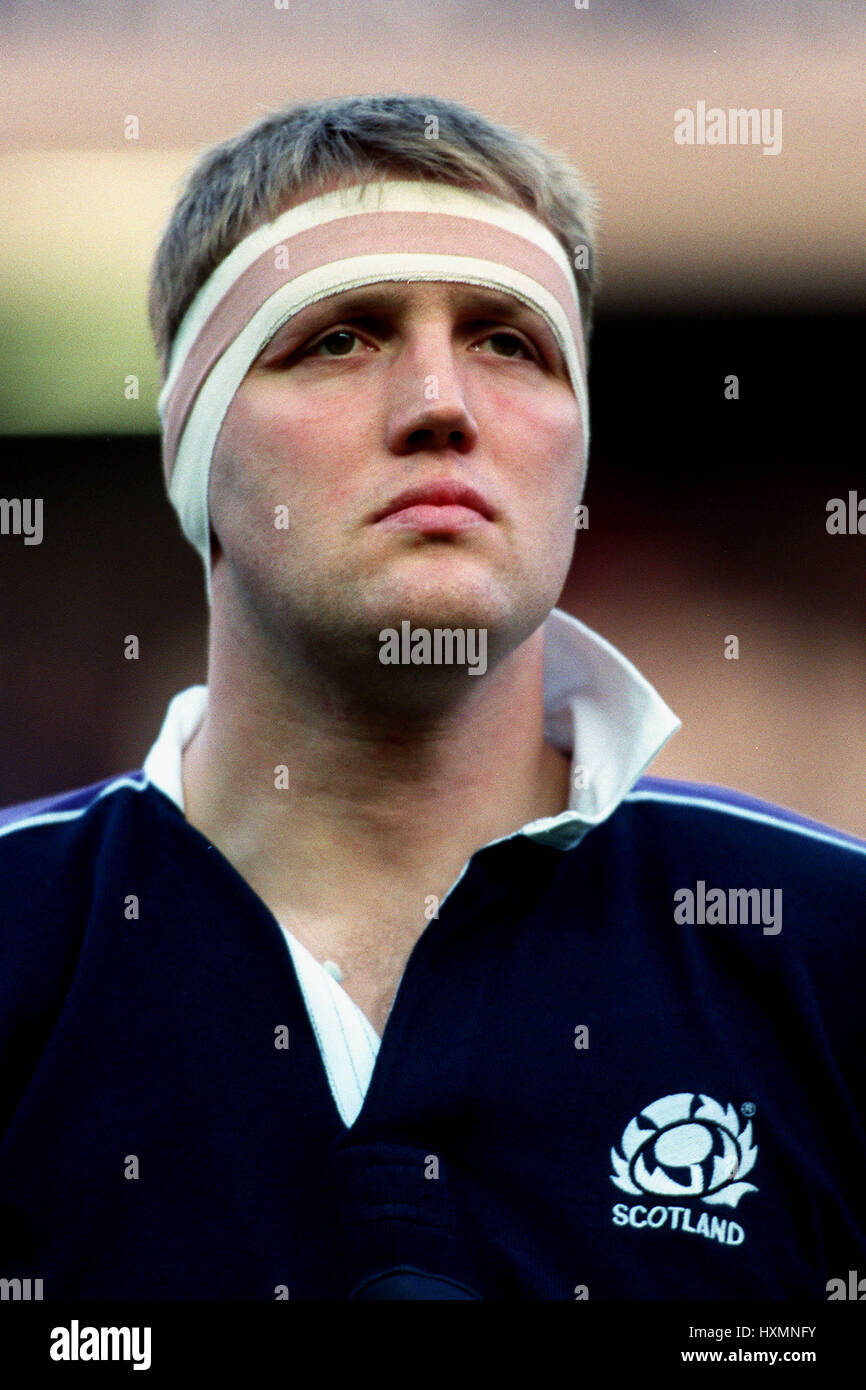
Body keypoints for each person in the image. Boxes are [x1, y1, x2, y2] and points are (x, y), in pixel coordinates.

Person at [0, 93, 863, 1302]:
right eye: (339, 337)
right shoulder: (20, 942)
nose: (439, 403)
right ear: (196, 442)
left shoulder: (827, 951)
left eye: (509, 341)